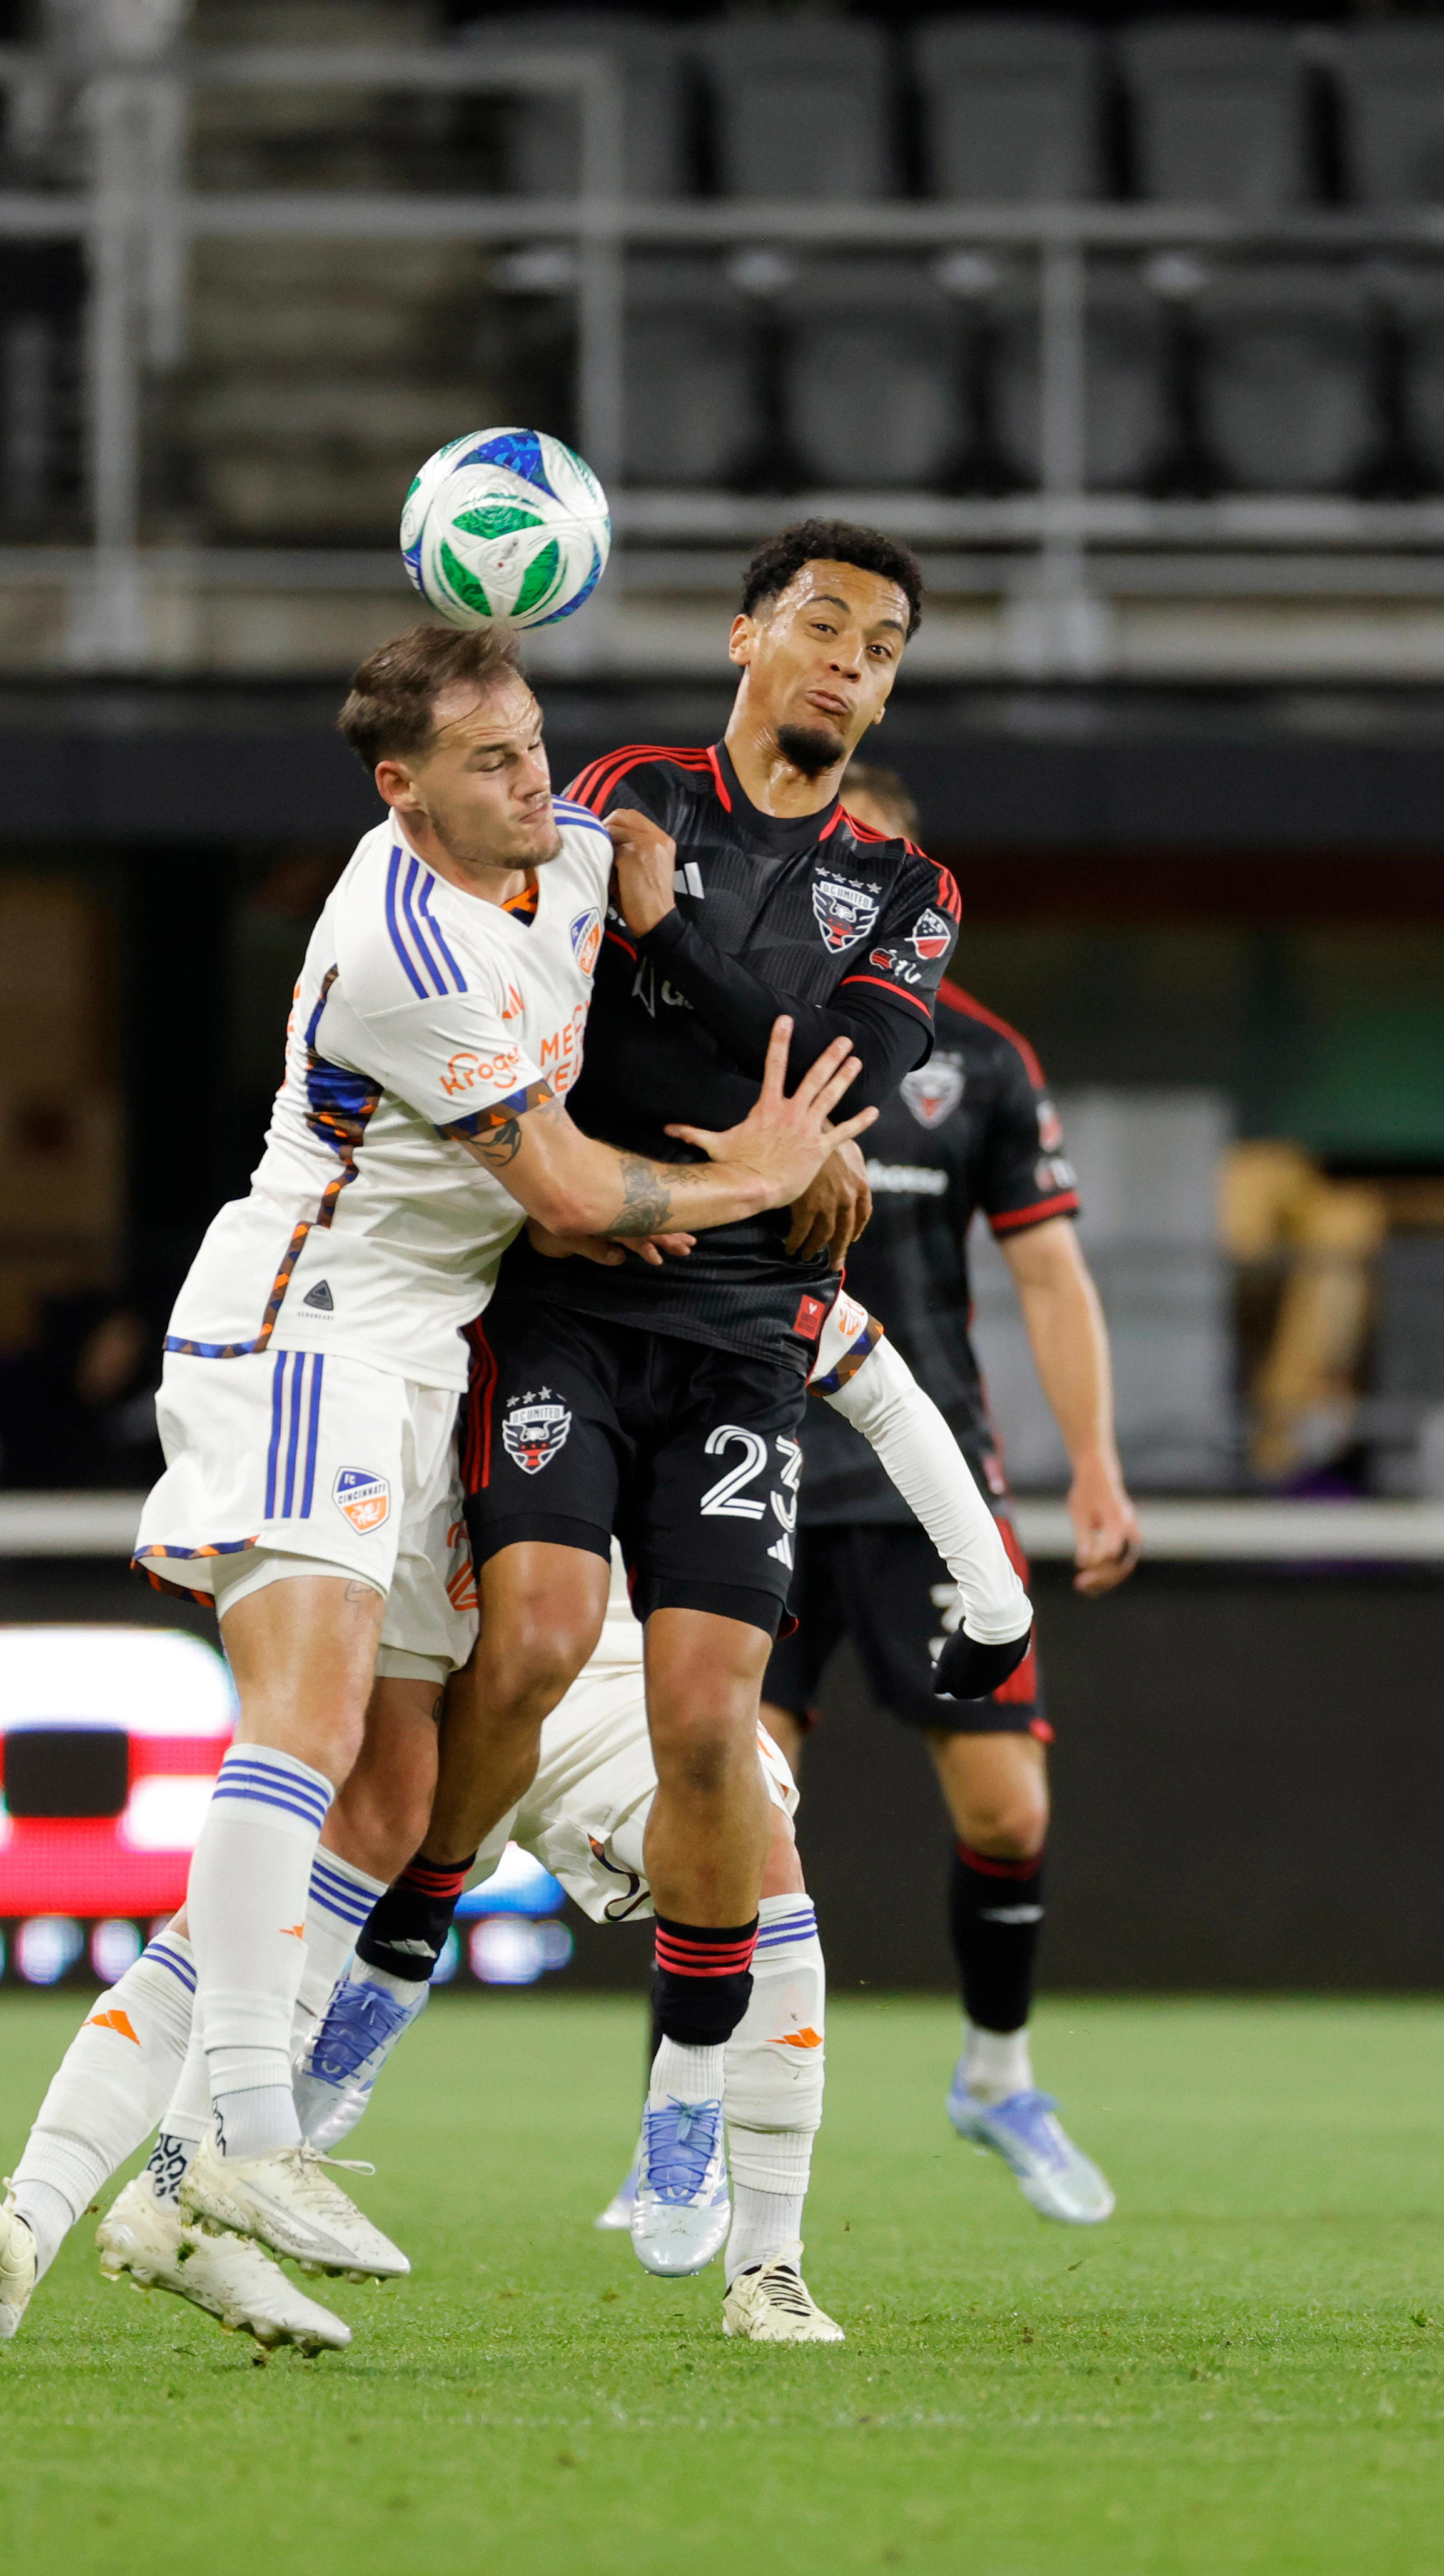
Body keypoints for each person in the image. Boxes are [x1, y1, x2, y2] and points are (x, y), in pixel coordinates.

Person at [0, 619, 864, 2345]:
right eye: (491, 763)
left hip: (425, 1366)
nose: (537, 782)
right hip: (310, 1328)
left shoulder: (565, 859)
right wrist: (765, 1178)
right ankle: (255, 2129)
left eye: (534, 744)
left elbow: (669, 948)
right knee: (304, 1721)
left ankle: (73, 2212)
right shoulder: (397, 940)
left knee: (378, 1802)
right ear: (396, 788)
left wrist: (658, 903)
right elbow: (576, 1196)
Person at [0, 1287, 1031, 2355]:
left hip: (595, 1664)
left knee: (757, 1841)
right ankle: (50, 2224)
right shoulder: (412, 1260)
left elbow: (860, 1367)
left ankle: (768, 2268)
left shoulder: (659, 1229)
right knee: (230, 1940)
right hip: (433, 1674)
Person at [311, 522, 972, 2281]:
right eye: (820, 622)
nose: (848, 658)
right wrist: (773, 1124)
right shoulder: (614, 785)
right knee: (524, 1641)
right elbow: (690, 1064)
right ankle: (409, 1937)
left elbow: (833, 1075)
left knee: (706, 1730)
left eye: (881, 642)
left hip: (745, 1337)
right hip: (574, 1298)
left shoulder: (908, 890)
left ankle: (682, 2094)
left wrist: (678, 946)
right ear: (746, 632)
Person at [758, 756, 1142, 2227]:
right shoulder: (738, 1041)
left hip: (924, 1479)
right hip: (758, 1465)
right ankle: (689, 2106)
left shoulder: (976, 1059)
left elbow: (1046, 1266)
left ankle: (994, 2074)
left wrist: (1091, 1464)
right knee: (722, 1799)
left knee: (1002, 1808)